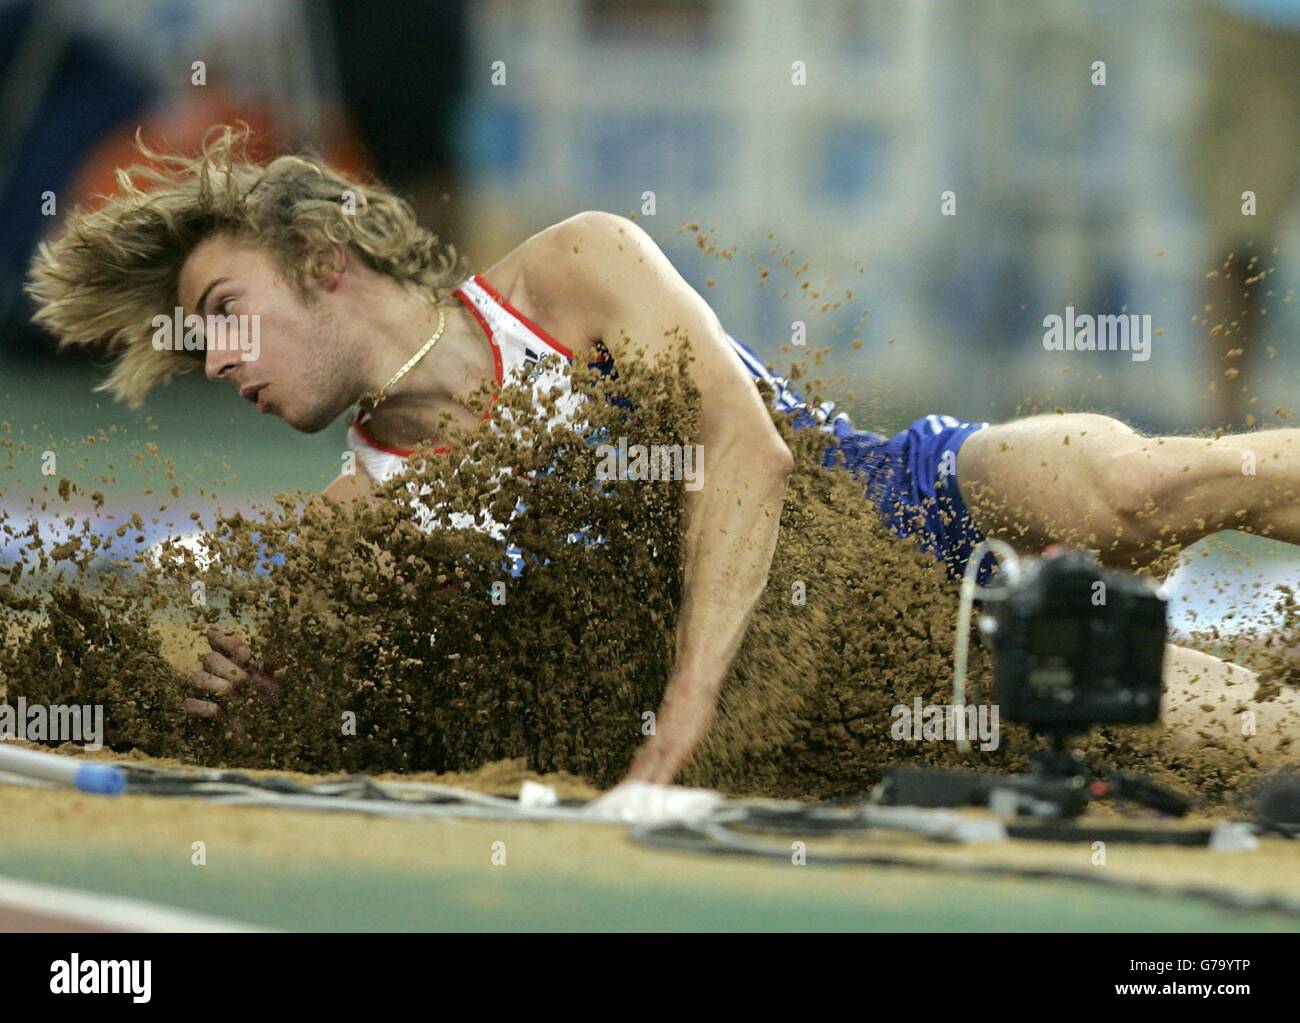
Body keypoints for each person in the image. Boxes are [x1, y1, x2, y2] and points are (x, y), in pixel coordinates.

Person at [27, 128, 1300, 783]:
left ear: (324, 263)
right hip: (892, 656)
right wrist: (272, 704)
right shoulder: (366, 536)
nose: (215, 356)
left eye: (222, 309)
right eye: (195, 346)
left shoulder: (571, 270)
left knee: (1150, 488)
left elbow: (746, 456)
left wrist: (684, 707)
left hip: (896, 491)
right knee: (1240, 732)